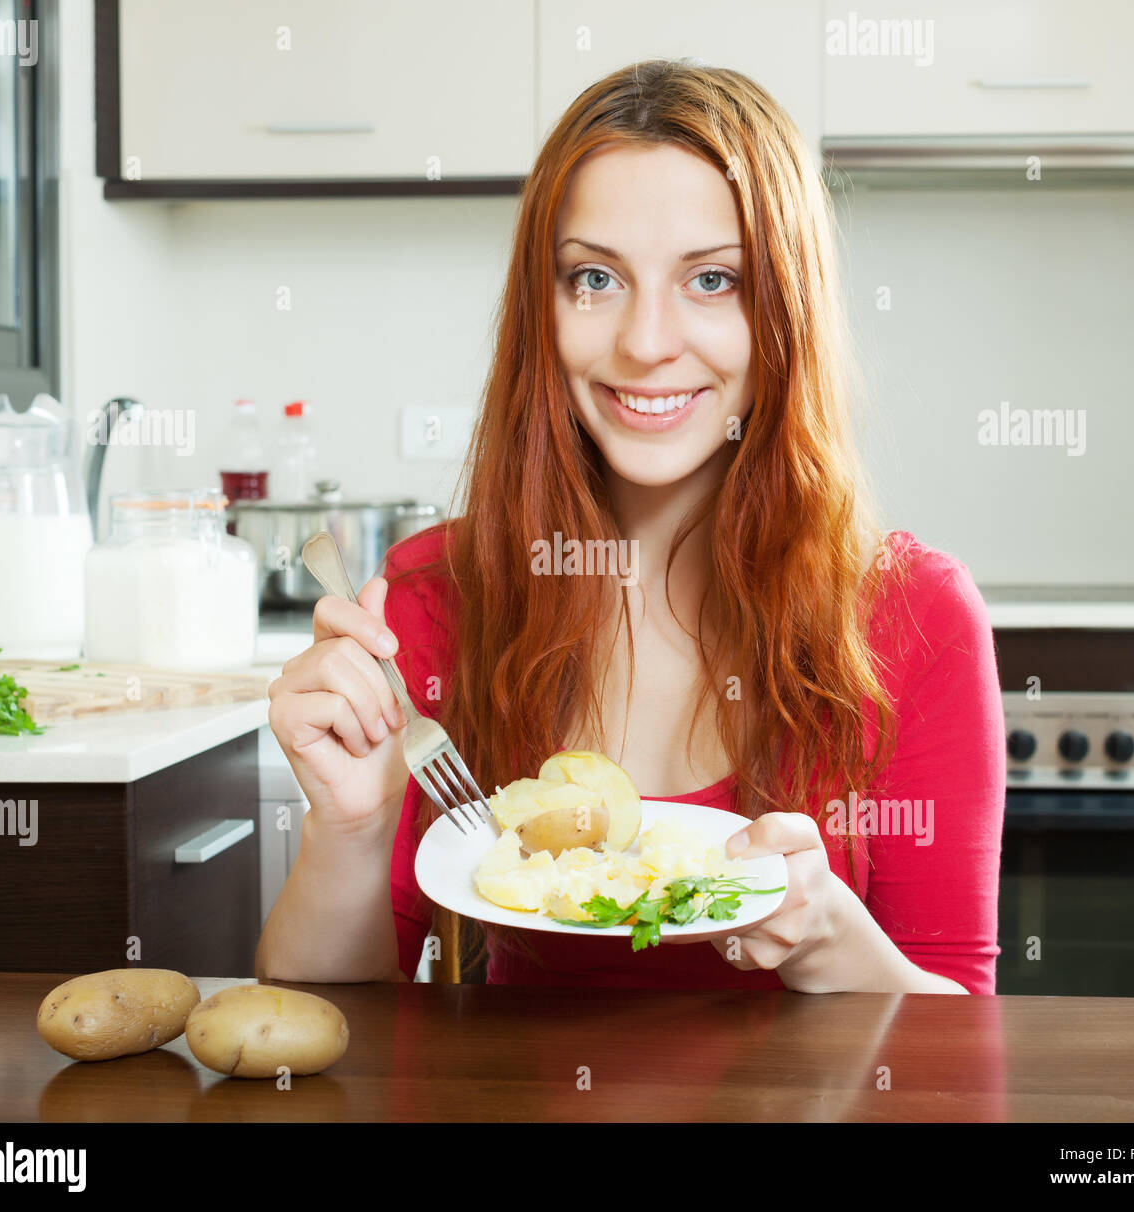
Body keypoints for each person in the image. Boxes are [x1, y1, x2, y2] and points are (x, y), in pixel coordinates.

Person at [257, 59, 1006, 994]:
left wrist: (830, 942)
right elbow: (320, 1032)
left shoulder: (914, 616)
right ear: (545, 306)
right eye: (597, 277)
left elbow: (960, 1048)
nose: (647, 342)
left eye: (714, 279)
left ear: (786, 312)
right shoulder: (435, 596)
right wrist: (351, 830)